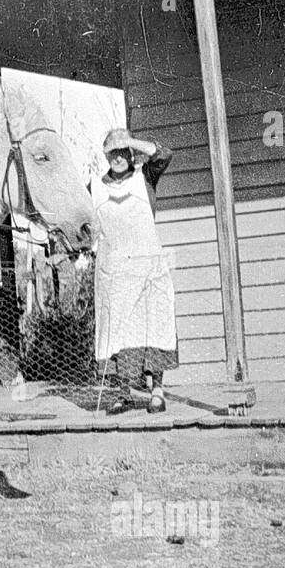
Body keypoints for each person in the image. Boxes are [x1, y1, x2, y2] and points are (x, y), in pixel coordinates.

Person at [89, 127, 179, 414]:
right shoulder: (95, 186)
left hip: (148, 271)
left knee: (153, 328)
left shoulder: (145, 177)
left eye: (122, 151)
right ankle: (122, 394)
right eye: (112, 152)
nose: (118, 157)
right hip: (114, 272)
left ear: (130, 153)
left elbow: (164, 153)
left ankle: (157, 392)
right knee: (117, 333)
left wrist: (127, 140)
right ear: (106, 156)